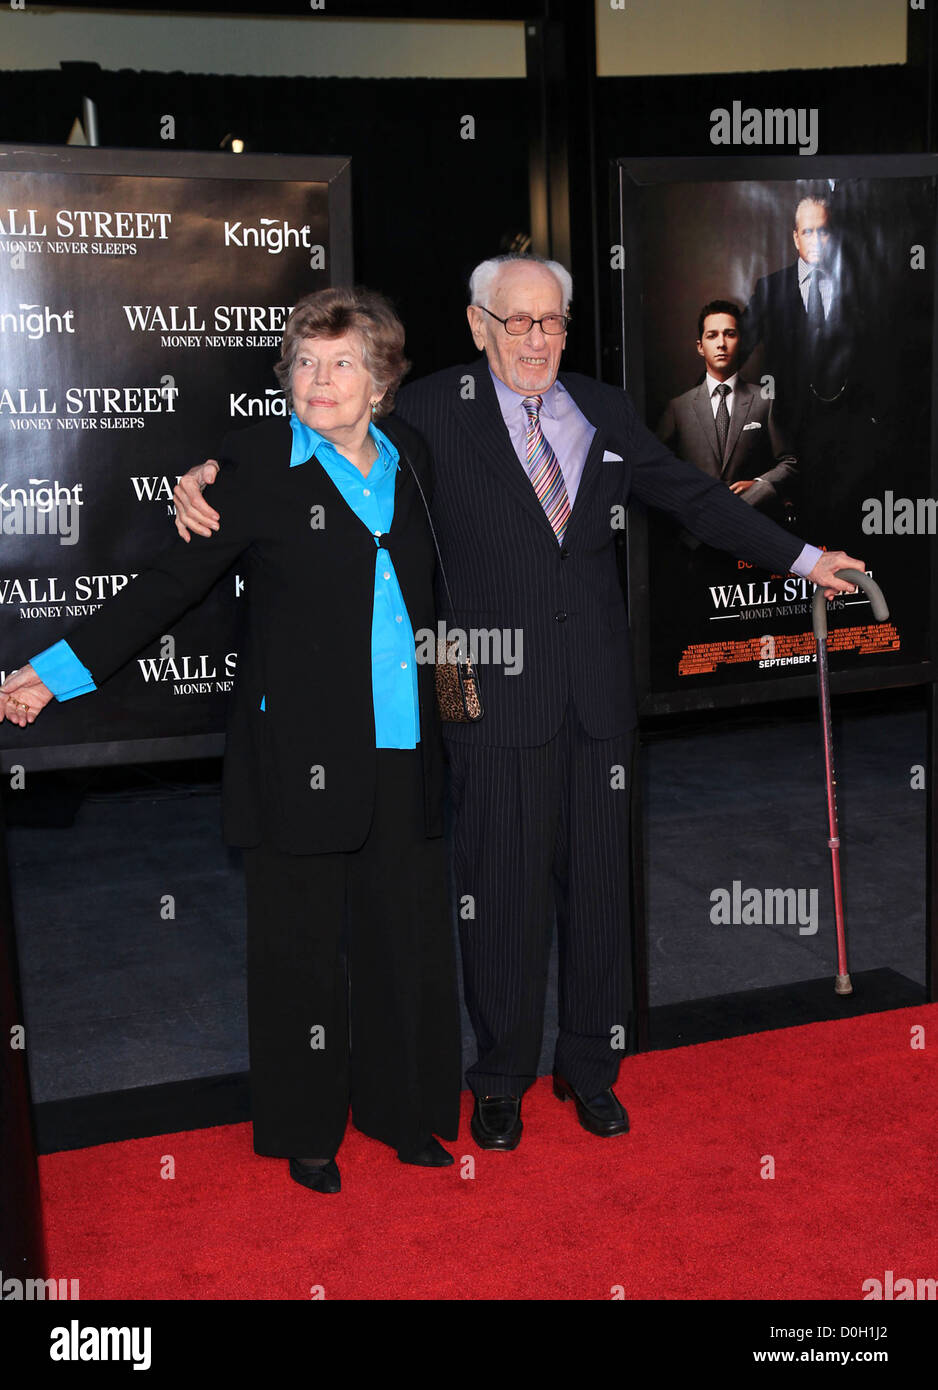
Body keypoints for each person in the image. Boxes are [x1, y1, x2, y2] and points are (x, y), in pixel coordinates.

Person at [172, 254, 864, 1153]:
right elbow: (319, 423)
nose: (535, 340)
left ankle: (590, 1068)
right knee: (499, 897)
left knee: (600, 896)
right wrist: (209, 475)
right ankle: (499, 1078)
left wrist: (806, 559)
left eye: (551, 322)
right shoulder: (426, 413)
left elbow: (694, 495)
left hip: (599, 694)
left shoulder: (605, 408)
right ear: (477, 325)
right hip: (489, 697)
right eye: (516, 321)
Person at [0, 286, 462, 1194]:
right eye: (303, 363)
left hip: (407, 744)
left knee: (403, 939)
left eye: (341, 365)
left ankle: (404, 1111)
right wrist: (49, 673)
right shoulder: (254, 464)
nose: (319, 381)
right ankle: (306, 1129)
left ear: (382, 383)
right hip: (298, 755)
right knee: (299, 951)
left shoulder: (414, 458)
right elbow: (164, 589)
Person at [738, 195, 875, 538]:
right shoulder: (770, 288)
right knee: (796, 537)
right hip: (787, 436)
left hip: (846, 434)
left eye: (823, 232)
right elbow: (737, 348)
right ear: (795, 237)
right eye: (808, 232)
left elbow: (881, 358)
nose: (816, 240)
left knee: (842, 531)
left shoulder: (859, 286)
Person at [656, 299, 797, 523]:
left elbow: (789, 462)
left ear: (740, 341)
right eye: (712, 335)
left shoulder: (765, 400)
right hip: (695, 535)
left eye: (729, 334)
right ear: (700, 346)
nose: (721, 343)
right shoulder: (678, 408)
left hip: (752, 528)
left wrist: (760, 484)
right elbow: (658, 471)